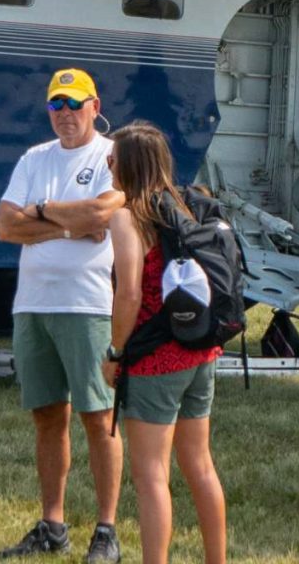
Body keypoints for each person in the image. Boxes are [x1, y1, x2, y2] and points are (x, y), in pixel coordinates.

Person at [0, 68, 126, 563]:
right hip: (33, 303)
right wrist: (66, 224)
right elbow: (5, 226)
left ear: (95, 104)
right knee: (48, 415)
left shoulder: (112, 156)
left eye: (74, 104)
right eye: (56, 105)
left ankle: (107, 530)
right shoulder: (33, 158)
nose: (65, 114)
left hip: (88, 305)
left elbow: (102, 215)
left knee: (99, 418)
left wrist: (42, 213)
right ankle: (53, 523)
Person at [100, 122, 226, 564]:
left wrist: (115, 352)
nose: (107, 163)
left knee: (152, 474)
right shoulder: (188, 203)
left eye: (112, 158)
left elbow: (129, 291)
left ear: (128, 165)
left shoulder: (128, 214)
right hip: (200, 349)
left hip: (156, 359)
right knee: (200, 464)